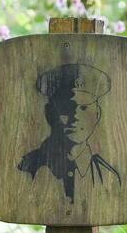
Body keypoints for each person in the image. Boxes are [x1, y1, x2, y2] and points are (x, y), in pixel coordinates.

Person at [18, 63, 120, 202]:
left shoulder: (108, 176)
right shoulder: (28, 168)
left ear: (97, 115)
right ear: (49, 114)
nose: (76, 116)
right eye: (67, 107)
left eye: (84, 108)